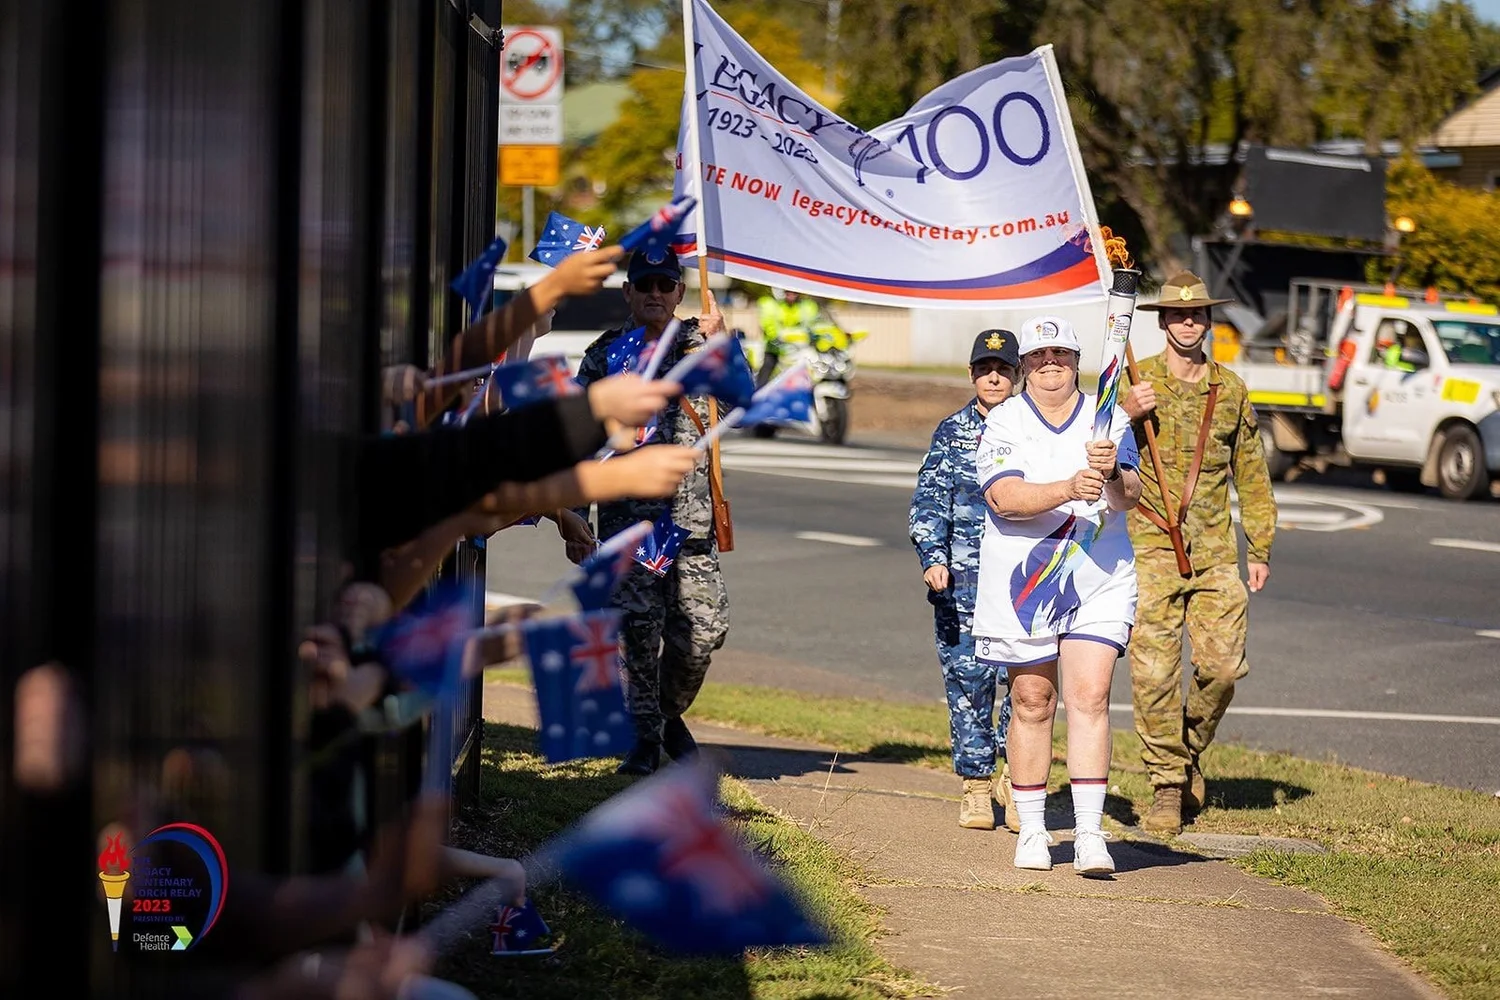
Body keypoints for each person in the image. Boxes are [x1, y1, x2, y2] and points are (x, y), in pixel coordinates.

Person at [973, 316, 1142, 874]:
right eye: (1040, 355)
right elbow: (1004, 498)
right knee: (1032, 701)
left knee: (1090, 696)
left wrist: (1112, 472)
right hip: (1025, 578)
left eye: (1062, 355)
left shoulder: (1109, 416)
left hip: (1098, 571)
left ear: (1076, 360)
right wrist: (1070, 487)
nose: (1051, 364)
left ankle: (1091, 834)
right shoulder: (1005, 422)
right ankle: (1034, 830)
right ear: (1025, 365)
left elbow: (1129, 497)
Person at [1121, 271, 1277, 836]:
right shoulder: (1134, 381)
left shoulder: (1229, 389)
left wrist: (1259, 544)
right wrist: (1124, 412)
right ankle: (1167, 785)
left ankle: (1186, 752)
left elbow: (1251, 473)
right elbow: (1091, 444)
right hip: (1149, 546)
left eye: (1198, 314)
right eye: (1178, 315)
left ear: (1208, 321)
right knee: (1154, 672)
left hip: (1214, 551)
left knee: (1222, 667)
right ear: (1162, 322)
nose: (1189, 322)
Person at [572, 248, 733, 775]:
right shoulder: (605, 355)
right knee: (639, 635)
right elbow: (576, 439)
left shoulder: (702, 347)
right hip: (631, 524)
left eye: (666, 285)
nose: (655, 294)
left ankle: (664, 714)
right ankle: (644, 739)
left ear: (680, 292)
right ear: (629, 292)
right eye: (645, 285)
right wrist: (573, 518)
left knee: (704, 633)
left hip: (692, 523)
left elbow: (740, 402)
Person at [909, 329, 1022, 832]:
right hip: (963, 581)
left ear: (1017, 375)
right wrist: (933, 558)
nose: (993, 377)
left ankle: (1018, 778)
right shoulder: (951, 431)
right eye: (984, 368)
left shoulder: (1033, 428)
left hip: (1023, 577)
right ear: (972, 373)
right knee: (969, 679)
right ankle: (977, 784)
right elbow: (929, 502)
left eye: (1002, 368)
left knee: (1023, 681)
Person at [755, 287, 820, 385]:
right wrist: (775, 335)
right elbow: (768, 324)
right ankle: (758, 394)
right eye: (788, 291)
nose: (791, 294)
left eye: (795, 292)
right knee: (766, 372)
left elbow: (813, 325)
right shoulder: (772, 305)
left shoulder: (807, 307)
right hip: (775, 349)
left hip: (797, 351)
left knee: (811, 374)